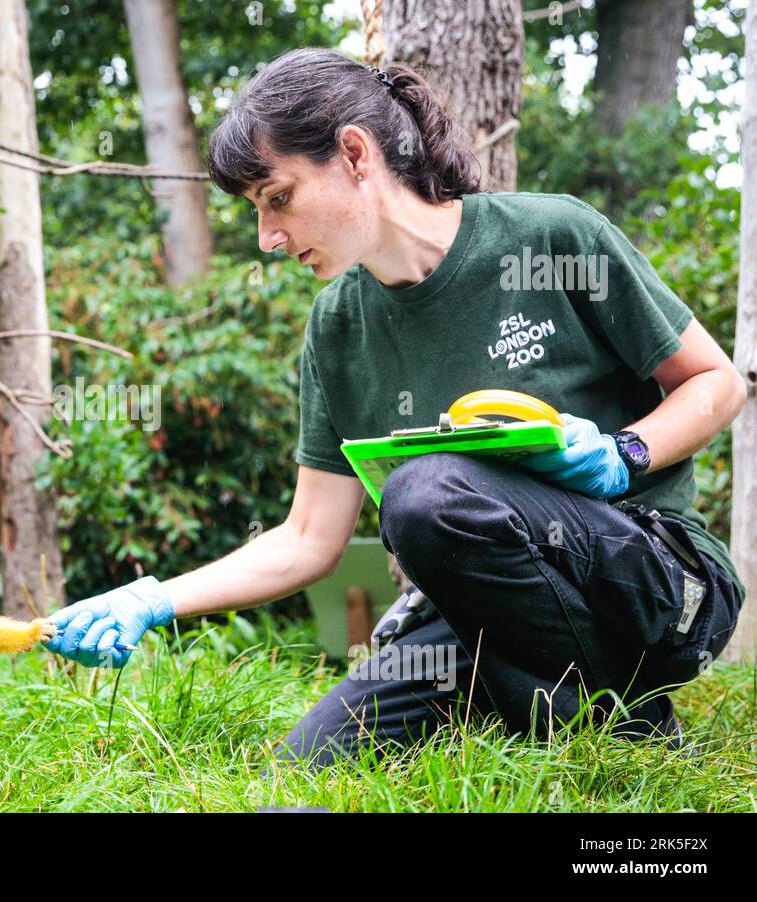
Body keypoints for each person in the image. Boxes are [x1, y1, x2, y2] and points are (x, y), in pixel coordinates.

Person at [42, 48, 748, 768]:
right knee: (310, 765)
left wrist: (621, 454)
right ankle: (549, 703)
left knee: (422, 492)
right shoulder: (337, 328)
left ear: (354, 152)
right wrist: (153, 599)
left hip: (656, 580)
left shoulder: (550, 236)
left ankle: (613, 722)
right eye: (256, 211)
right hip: (484, 616)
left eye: (277, 197)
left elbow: (716, 382)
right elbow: (309, 539)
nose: (268, 237)